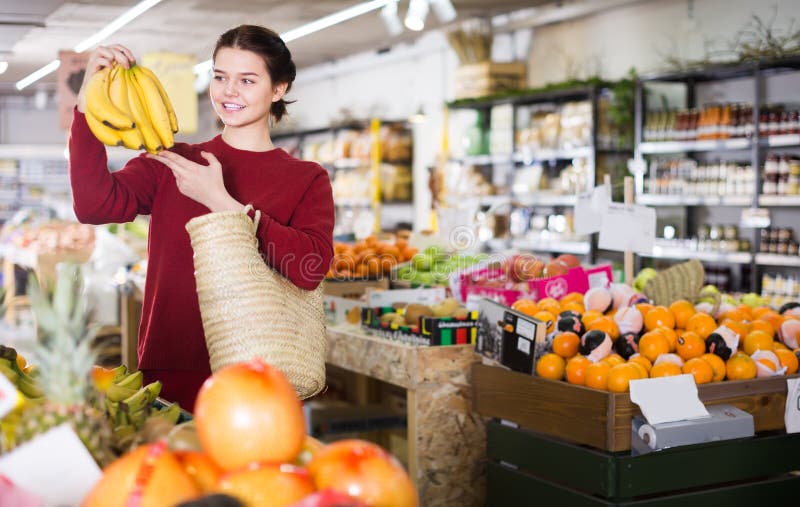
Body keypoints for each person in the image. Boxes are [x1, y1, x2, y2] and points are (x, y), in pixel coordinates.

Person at [69, 25, 335, 411]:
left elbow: (309, 268)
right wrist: (84, 106)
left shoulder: (306, 178)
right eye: (220, 76)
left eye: (247, 80)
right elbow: (94, 205)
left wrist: (221, 201)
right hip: (168, 364)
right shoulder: (173, 161)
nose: (229, 91)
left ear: (279, 89)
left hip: (256, 375)